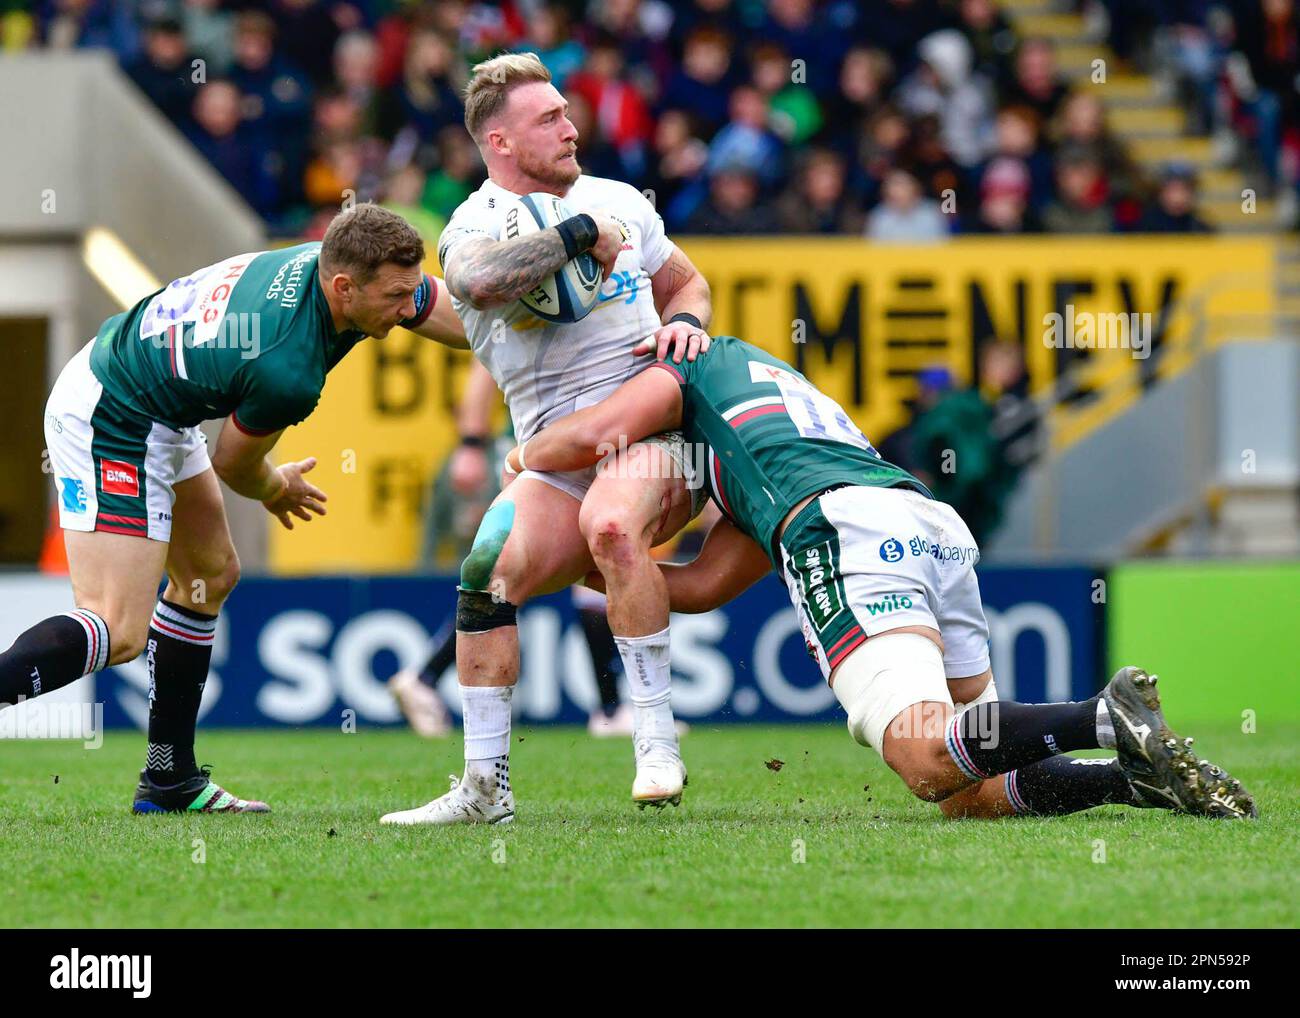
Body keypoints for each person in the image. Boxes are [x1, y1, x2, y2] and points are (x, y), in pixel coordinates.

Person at [504, 336, 1257, 822]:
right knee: (974, 792)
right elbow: (697, 589)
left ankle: (1102, 714)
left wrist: (522, 458)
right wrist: (619, 569)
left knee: (923, 759)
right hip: (927, 525)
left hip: (842, 529)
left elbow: (591, 433)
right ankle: (1130, 775)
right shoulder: (767, 408)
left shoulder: (686, 368)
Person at [1, 204, 468, 813]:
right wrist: (277, 488)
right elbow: (235, 464)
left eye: (411, 293)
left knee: (208, 577)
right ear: (345, 288)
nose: (408, 311)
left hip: (153, 396)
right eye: (396, 298)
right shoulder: (287, 368)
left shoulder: (328, 259)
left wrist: (522, 352)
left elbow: (447, 313)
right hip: (113, 413)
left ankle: (169, 781)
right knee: (116, 628)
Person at [379, 52, 713, 827]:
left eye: (567, 112)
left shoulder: (621, 197)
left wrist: (688, 326)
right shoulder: (473, 223)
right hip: (558, 457)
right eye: (549, 119)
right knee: (484, 573)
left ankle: (654, 739)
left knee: (612, 526)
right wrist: (581, 234)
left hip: (655, 436)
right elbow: (477, 284)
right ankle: (484, 790)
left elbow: (686, 284)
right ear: (499, 142)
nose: (571, 127)